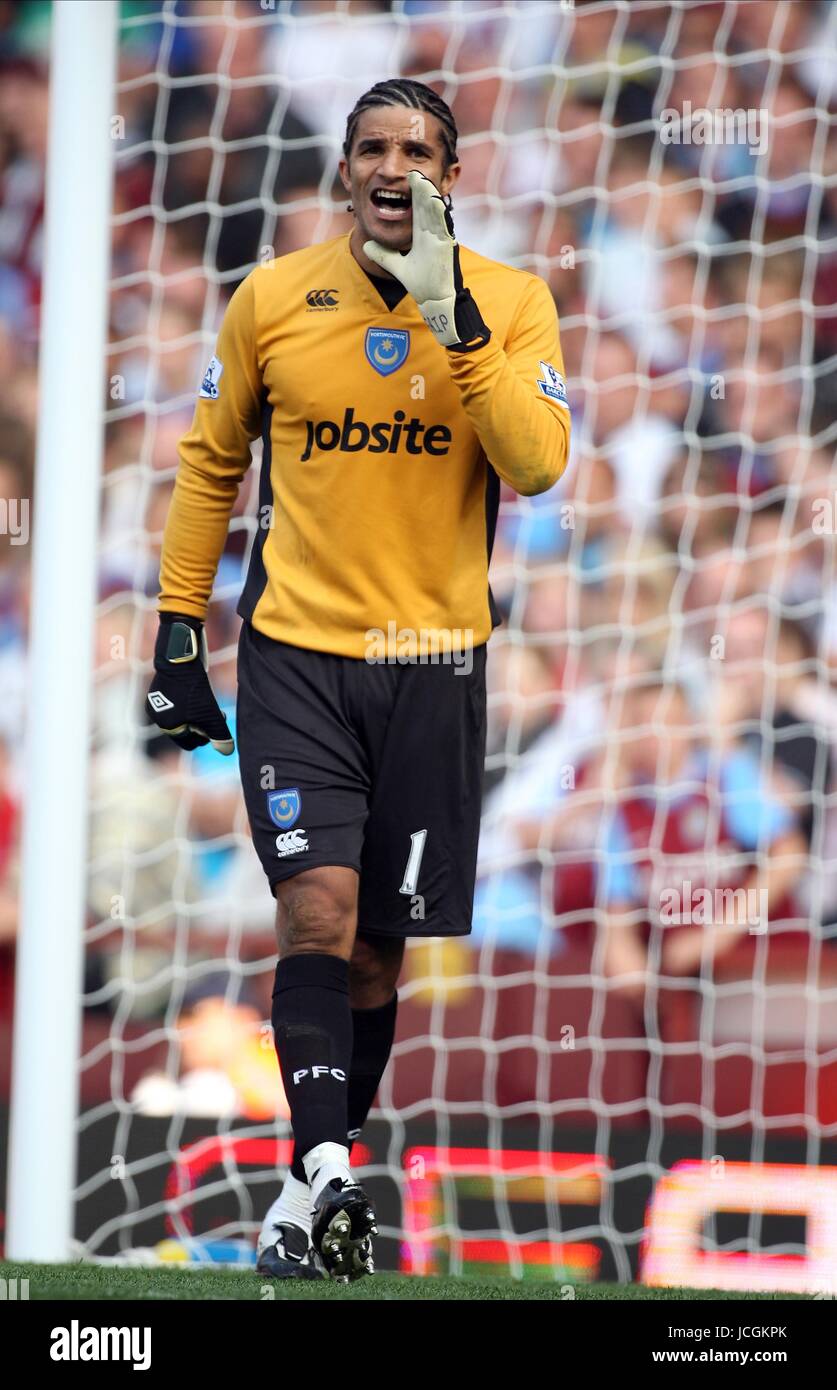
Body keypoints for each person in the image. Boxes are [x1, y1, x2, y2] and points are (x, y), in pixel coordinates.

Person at [145, 78, 570, 1281]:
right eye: (372, 148)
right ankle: (336, 1171)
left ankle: (301, 1191)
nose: (394, 166)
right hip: (300, 658)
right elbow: (209, 460)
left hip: (434, 666)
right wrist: (180, 627)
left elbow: (537, 466)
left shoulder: (516, 302)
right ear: (344, 172)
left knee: (379, 951)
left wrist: (458, 325)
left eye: (418, 151)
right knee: (317, 909)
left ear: (452, 174)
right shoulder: (275, 298)